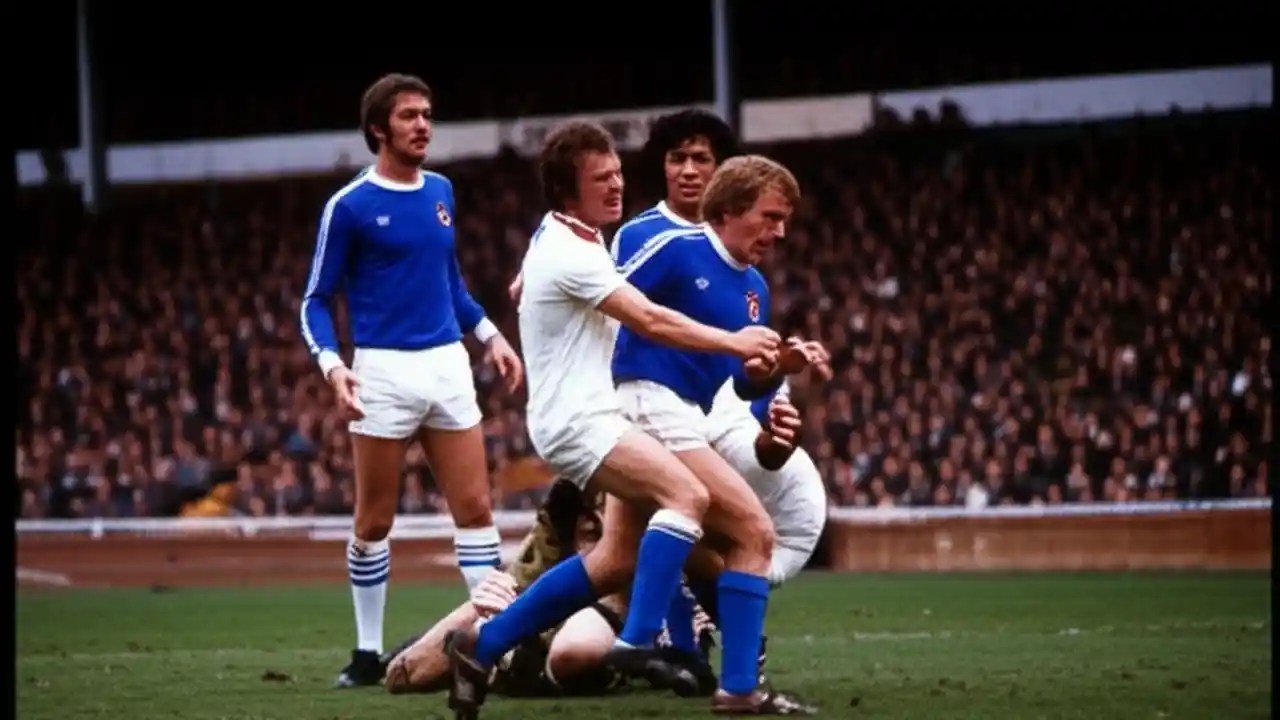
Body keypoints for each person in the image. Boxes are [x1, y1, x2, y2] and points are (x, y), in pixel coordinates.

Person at [443, 119, 781, 719]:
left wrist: (525, 277)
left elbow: (565, 272)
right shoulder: (575, 253)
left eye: (618, 173)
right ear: (568, 191)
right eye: (601, 179)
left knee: (616, 559)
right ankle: (640, 646)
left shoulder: (571, 235)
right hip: (583, 421)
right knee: (689, 498)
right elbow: (651, 320)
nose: (617, 185)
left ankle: (481, 644)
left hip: (597, 413)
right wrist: (737, 342)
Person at [383, 384, 824, 706]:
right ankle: (504, 646)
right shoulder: (582, 504)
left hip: (607, 617)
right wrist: (481, 612)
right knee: (421, 661)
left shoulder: (677, 518)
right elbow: (402, 678)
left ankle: (636, 649)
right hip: (556, 612)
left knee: (579, 643)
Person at [299, 72, 524, 688]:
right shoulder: (348, 207)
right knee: (373, 521)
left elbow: (450, 284)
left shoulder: (443, 191)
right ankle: (367, 653)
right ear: (379, 128)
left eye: (428, 114)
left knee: (476, 511)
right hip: (382, 373)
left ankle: (494, 646)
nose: (423, 124)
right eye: (409, 116)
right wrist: (333, 365)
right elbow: (315, 300)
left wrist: (491, 336)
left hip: (448, 365)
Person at [609, 153, 829, 714]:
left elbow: (742, 382)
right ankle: (708, 671)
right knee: (751, 531)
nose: (779, 233)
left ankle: (486, 643)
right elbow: (601, 299)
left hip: (684, 413)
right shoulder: (673, 248)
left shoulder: (754, 288)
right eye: (771, 217)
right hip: (641, 403)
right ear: (731, 208)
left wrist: (777, 369)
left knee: (614, 557)